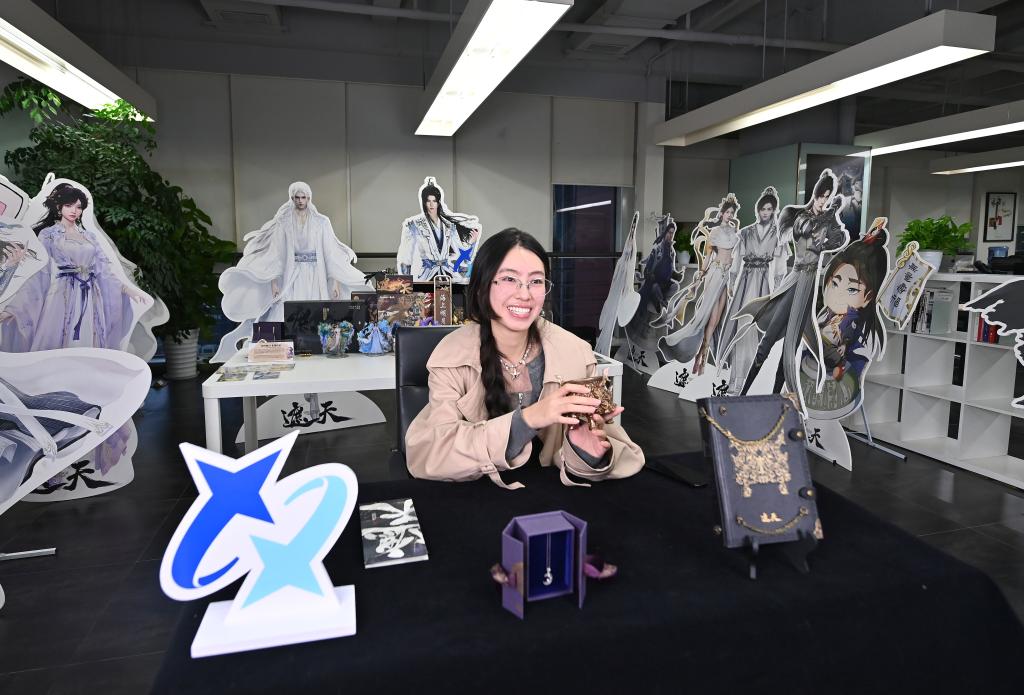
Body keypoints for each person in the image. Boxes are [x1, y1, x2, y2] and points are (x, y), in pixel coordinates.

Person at [405, 228, 644, 489]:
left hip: (553, 494)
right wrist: (529, 419)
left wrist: (584, 453)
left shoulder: (575, 352)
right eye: (509, 279)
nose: (525, 294)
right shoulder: (452, 356)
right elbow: (431, 453)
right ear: (483, 286)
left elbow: (611, 451)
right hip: (475, 495)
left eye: (536, 281)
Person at [213, 181, 367, 361]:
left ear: (309, 198)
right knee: (284, 306)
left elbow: (331, 253)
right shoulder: (284, 222)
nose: (300, 201)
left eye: (303, 197)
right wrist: (273, 281)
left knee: (317, 308)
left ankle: (319, 345)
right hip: (292, 275)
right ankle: (276, 347)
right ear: (292, 198)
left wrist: (335, 281)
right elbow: (276, 253)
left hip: (315, 275)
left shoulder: (322, 222)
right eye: (297, 197)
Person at [733, 169, 849, 397]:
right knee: (767, 341)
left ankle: (775, 399)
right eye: (821, 196)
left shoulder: (828, 218)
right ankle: (743, 394)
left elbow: (840, 239)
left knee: (791, 347)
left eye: (827, 197)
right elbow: (802, 231)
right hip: (795, 279)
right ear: (815, 194)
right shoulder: (801, 216)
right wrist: (825, 219)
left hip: (809, 284)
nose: (823, 200)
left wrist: (832, 217)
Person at [0, 183, 148, 352]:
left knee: (88, 336)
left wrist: (127, 290)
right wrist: (14, 309)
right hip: (61, 294)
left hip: (91, 294)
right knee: (57, 339)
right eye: (69, 205)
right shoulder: (49, 234)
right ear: (59, 207)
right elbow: (41, 272)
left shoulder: (89, 236)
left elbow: (103, 269)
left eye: (78, 207)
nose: (74, 211)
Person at [798, 220, 888, 419]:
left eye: (852, 289)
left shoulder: (862, 330)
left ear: (868, 297)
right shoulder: (826, 314)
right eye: (835, 283)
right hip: (810, 380)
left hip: (835, 392)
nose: (838, 295)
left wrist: (841, 355)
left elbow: (854, 371)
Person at [717, 187, 790, 393]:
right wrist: (732, 281)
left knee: (758, 329)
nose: (765, 212)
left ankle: (753, 382)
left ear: (774, 211)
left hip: (764, 285)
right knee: (742, 327)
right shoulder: (746, 232)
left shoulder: (778, 234)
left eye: (769, 209)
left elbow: (780, 267)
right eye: (763, 209)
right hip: (745, 282)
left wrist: (778, 290)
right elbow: (736, 261)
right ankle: (736, 380)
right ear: (758, 210)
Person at [658, 195, 740, 375]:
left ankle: (700, 357)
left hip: (726, 275)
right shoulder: (715, 232)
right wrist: (701, 274)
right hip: (715, 273)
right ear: (721, 213)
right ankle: (701, 361)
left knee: (716, 320)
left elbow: (736, 256)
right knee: (706, 318)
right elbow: (708, 257)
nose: (729, 215)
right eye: (727, 212)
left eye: (731, 212)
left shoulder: (734, 231)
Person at [397, 177, 481, 283]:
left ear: (438, 202)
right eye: (428, 201)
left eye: (434, 201)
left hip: (448, 274)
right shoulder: (413, 225)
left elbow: (462, 256)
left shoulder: (449, 225)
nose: (431, 204)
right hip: (426, 276)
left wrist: (472, 243)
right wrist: (405, 283)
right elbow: (405, 258)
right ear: (424, 202)